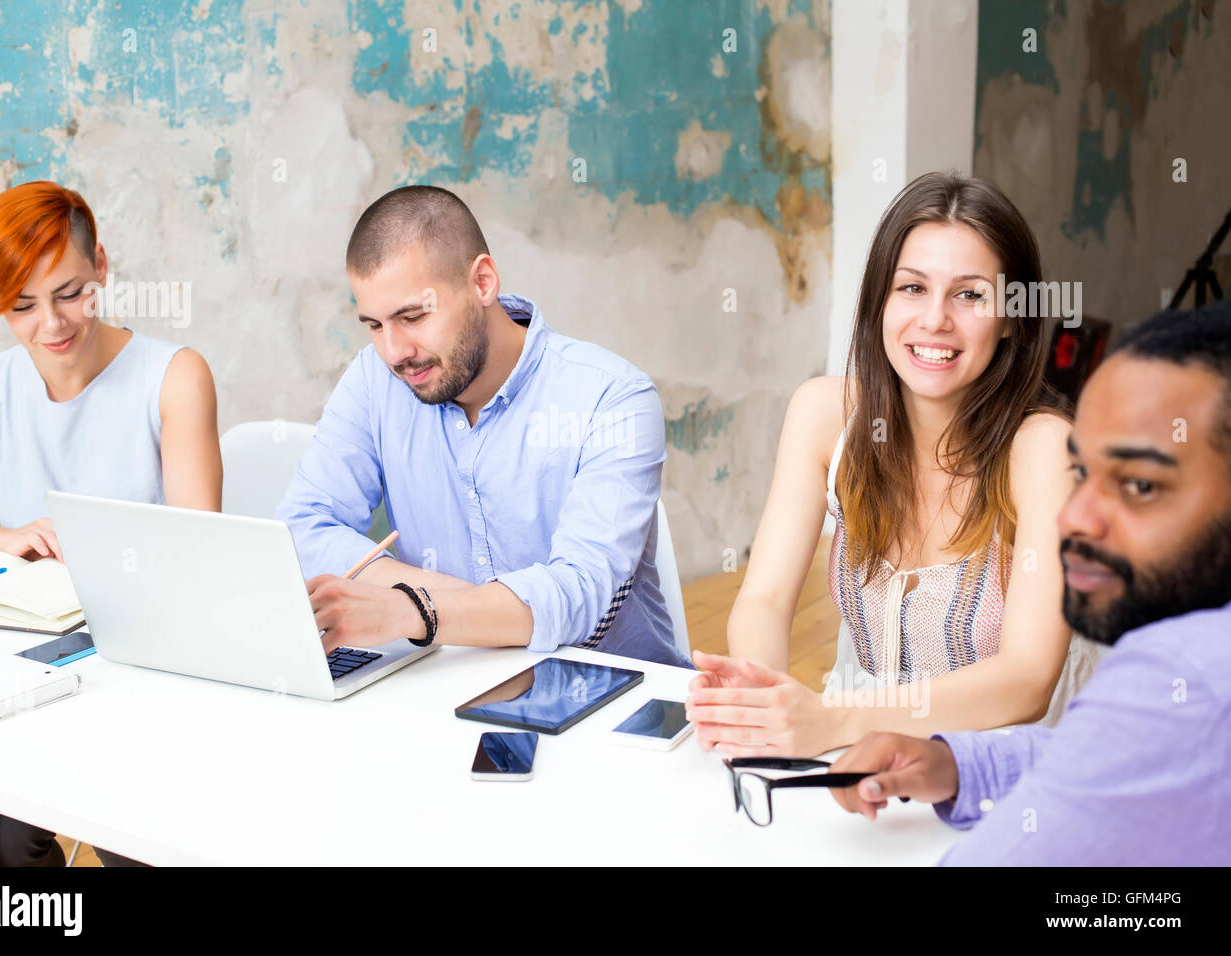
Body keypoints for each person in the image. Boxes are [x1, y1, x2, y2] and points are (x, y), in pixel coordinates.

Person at [687, 172, 1101, 757]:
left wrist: (832, 720)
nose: (935, 319)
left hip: (1013, 770)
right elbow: (764, 600)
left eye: (970, 294)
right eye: (911, 288)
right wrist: (766, 700)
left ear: (1012, 318)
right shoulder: (825, 414)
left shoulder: (1044, 449)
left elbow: (1027, 681)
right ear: (879, 299)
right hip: (860, 756)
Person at [829, 302, 1231, 865]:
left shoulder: (1187, 679)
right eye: (1084, 473)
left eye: (1140, 484)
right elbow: (1100, 760)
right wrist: (958, 766)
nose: (1074, 518)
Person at [0, 180, 222, 865]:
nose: (52, 325)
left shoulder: (173, 378)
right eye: (22, 306)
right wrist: (1, 537)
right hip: (42, 672)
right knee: (9, 835)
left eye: (69, 293)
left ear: (102, 270)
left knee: (133, 838)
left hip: (151, 672)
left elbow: (199, 555)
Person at [276, 185, 683, 667]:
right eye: (375, 325)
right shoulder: (374, 380)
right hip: (449, 685)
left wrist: (415, 609)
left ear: (483, 282)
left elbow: (579, 595)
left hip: (605, 699)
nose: (394, 352)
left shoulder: (612, 398)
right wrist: (468, 609)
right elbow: (301, 527)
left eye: (413, 316)